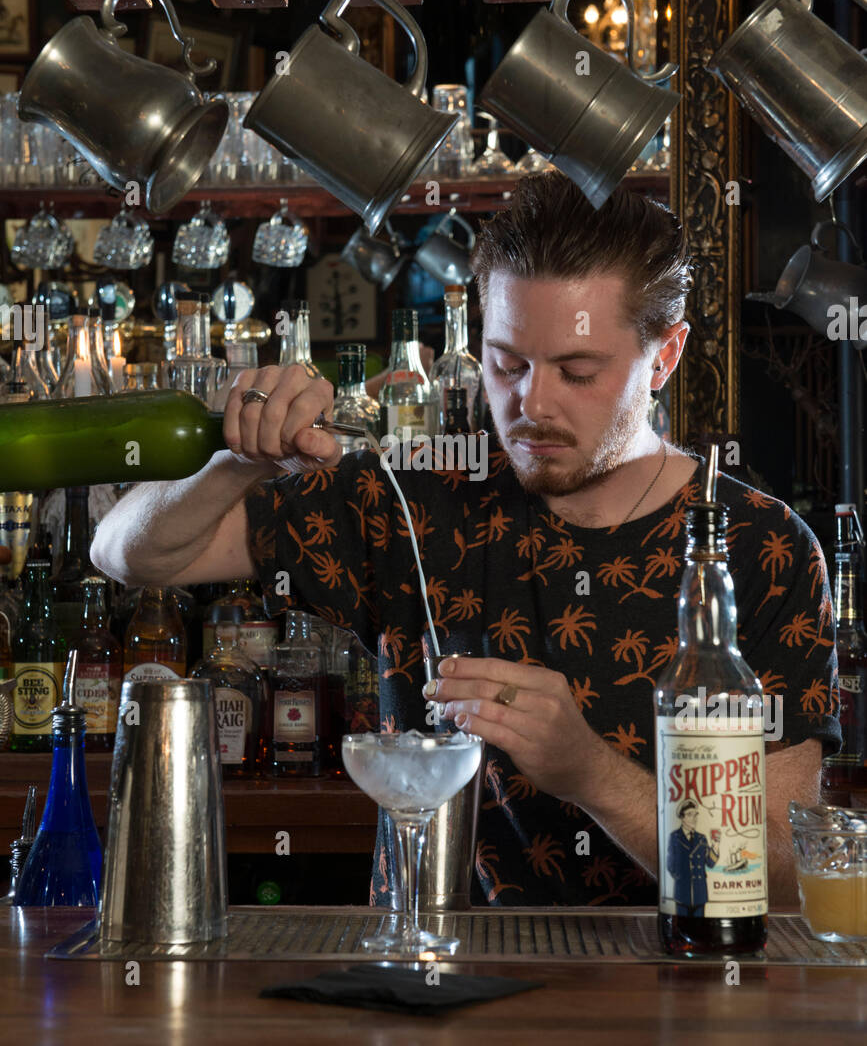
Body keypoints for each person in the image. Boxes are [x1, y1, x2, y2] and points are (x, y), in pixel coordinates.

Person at [92, 172, 841, 909]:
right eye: (506, 363)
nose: (530, 405)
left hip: (673, 995)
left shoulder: (755, 549)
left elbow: (779, 882)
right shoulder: (410, 497)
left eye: (576, 371)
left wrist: (589, 773)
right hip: (431, 989)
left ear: (665, 357)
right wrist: (235, 460)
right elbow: (129, 553)